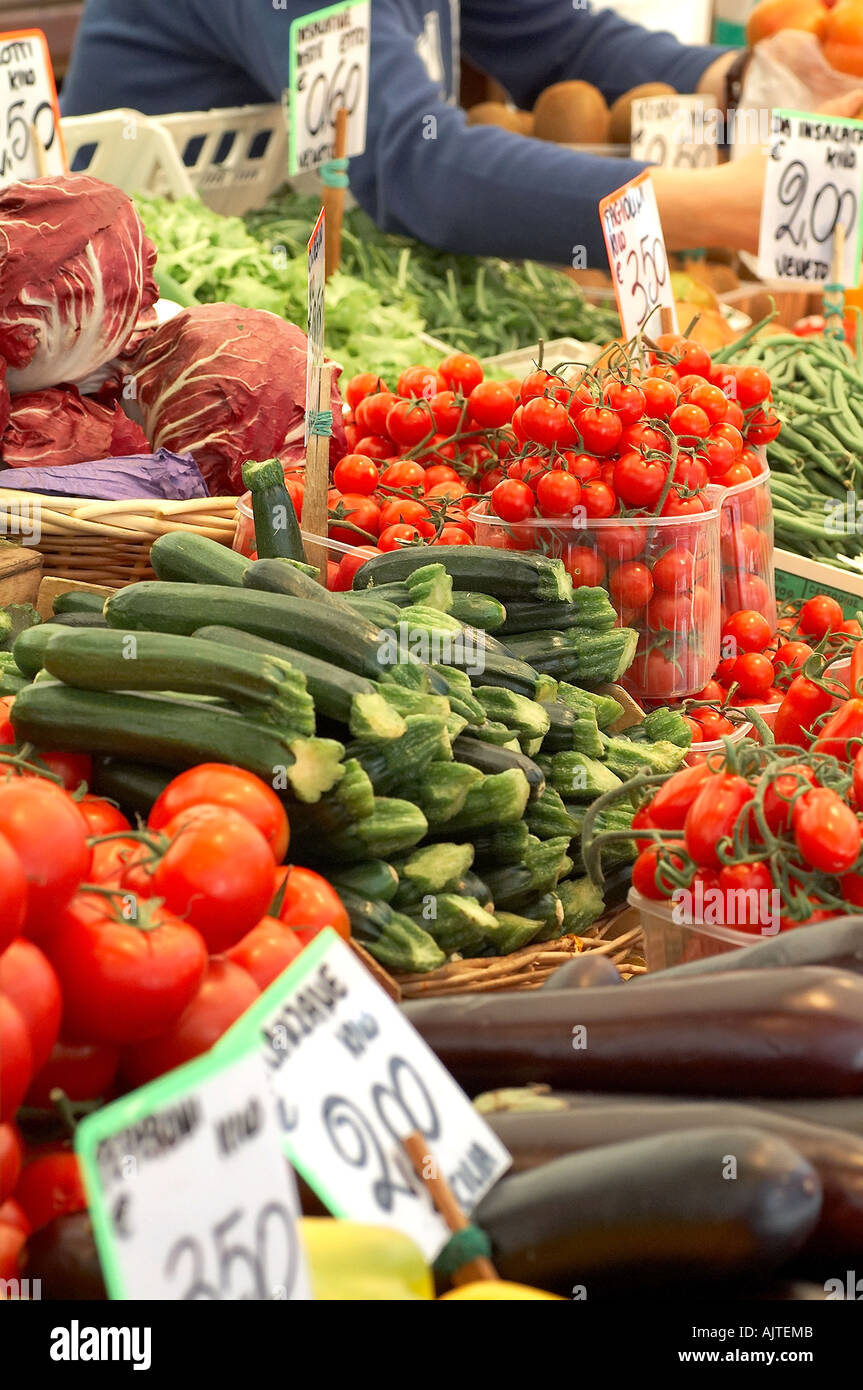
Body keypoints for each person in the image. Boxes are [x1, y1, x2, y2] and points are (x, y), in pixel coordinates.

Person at [60, 1, 858, 267]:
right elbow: (417, 163)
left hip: (300, 253)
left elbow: (564, 42)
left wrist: (748, 83)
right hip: (149, 296)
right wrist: (722, 207)